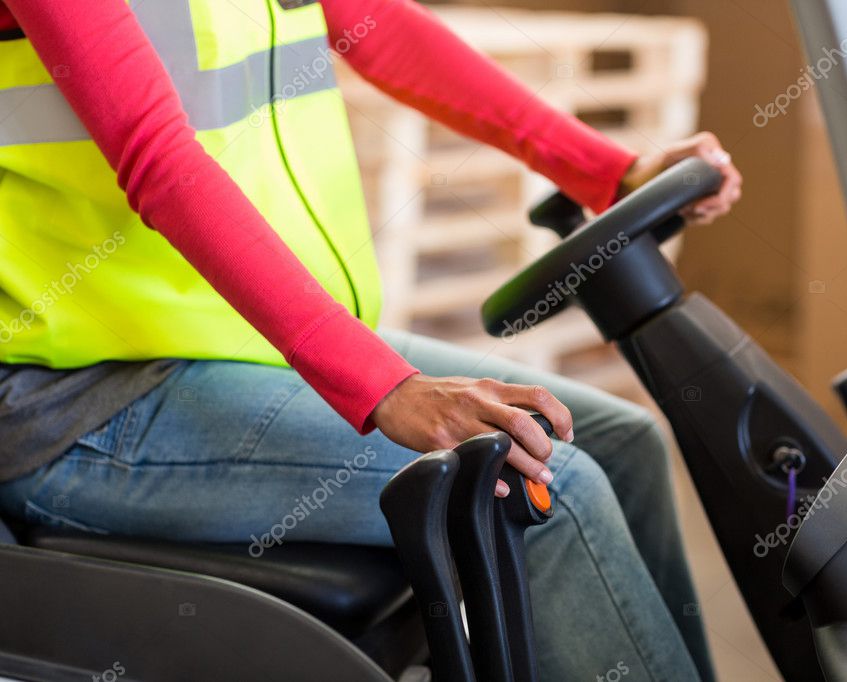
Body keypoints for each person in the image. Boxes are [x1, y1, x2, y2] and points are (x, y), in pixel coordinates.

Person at [0, 1, 741, 680]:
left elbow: (381, 28)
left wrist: (605, 170)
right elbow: (158, 159)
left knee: (623, 441)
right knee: (546, 487)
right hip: (85, 398)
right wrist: (380, 385)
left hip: (225, 344)